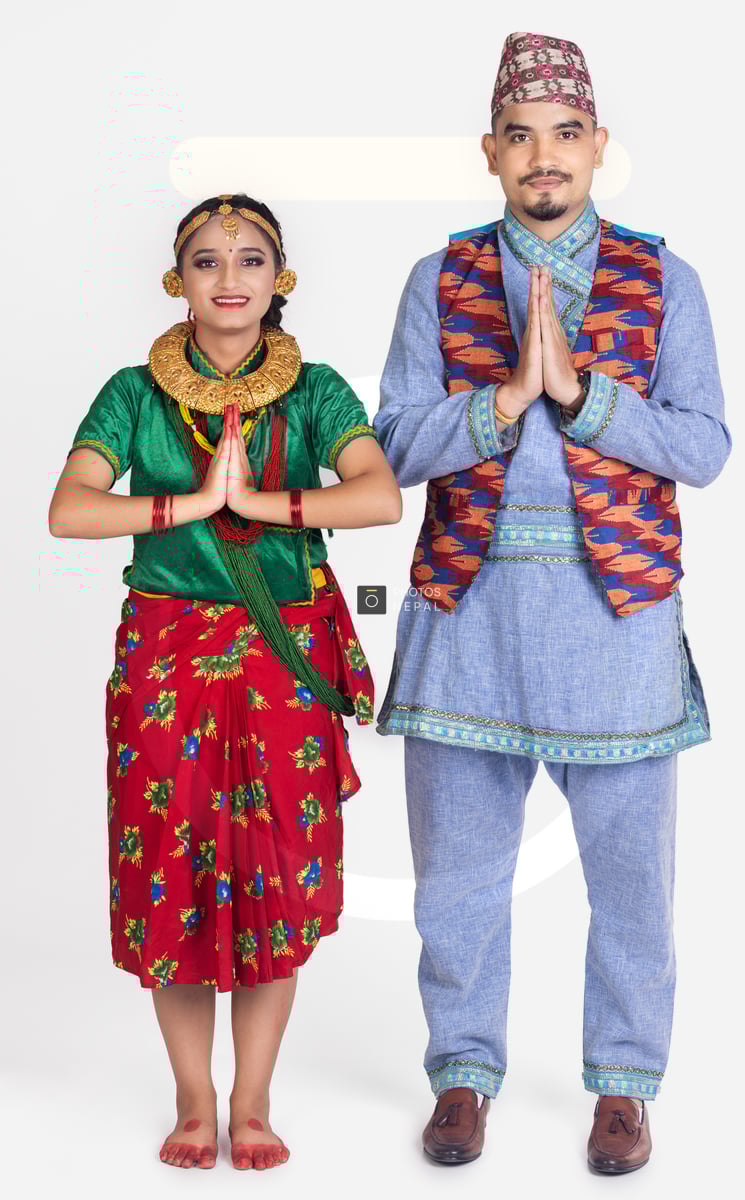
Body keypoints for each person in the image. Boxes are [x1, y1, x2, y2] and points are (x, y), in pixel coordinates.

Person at [374, 33, 730, 1175]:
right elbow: (387, 444)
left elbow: (703, 446)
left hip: (613, 616)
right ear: (489, 150)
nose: (542, 158)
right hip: (466, 612)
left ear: (596, 149)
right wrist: (503, 396)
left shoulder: (665, 281)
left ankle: (623, 1086)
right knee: (456, 876)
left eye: (563, 134)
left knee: (632, 879)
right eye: (518, 136)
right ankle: (462, 1074)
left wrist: (578, 398)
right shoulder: (434, 281)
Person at [49, 192, 401, 1171]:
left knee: (273, 879)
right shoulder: (134, 393)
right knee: (173, 876)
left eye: (251, 260)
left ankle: (253, 1101)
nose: (230, 278)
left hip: (278, 662)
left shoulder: (316, 390)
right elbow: (69, 511)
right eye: (207, 261)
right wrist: (196, 503)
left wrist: (257, 501)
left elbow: (375, 493)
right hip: (165, 656)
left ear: (279, 280)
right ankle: (191, 1098)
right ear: (178, 280)